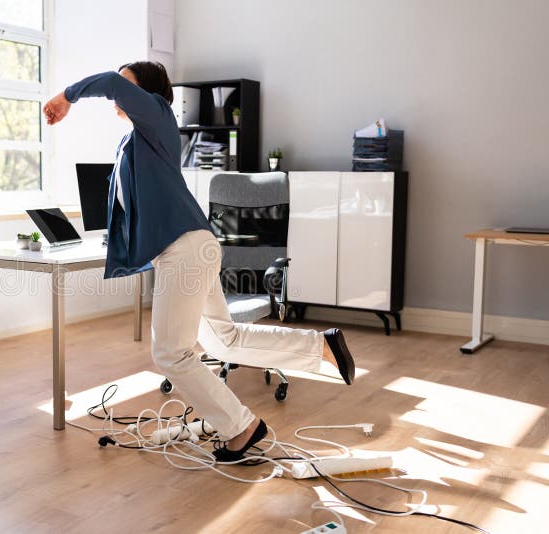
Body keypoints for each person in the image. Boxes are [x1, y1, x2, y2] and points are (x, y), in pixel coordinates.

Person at [43, 61, 355, 462]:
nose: (116, 94)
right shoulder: (136, 140)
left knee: (170, 353)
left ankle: (240, 427)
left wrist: (65, 97)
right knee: (223, 339)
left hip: (184, 249)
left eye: (126, 85)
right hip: (194, 245)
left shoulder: (157, 114)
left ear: (148, 92)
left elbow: (105, 83)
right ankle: (321, 347)